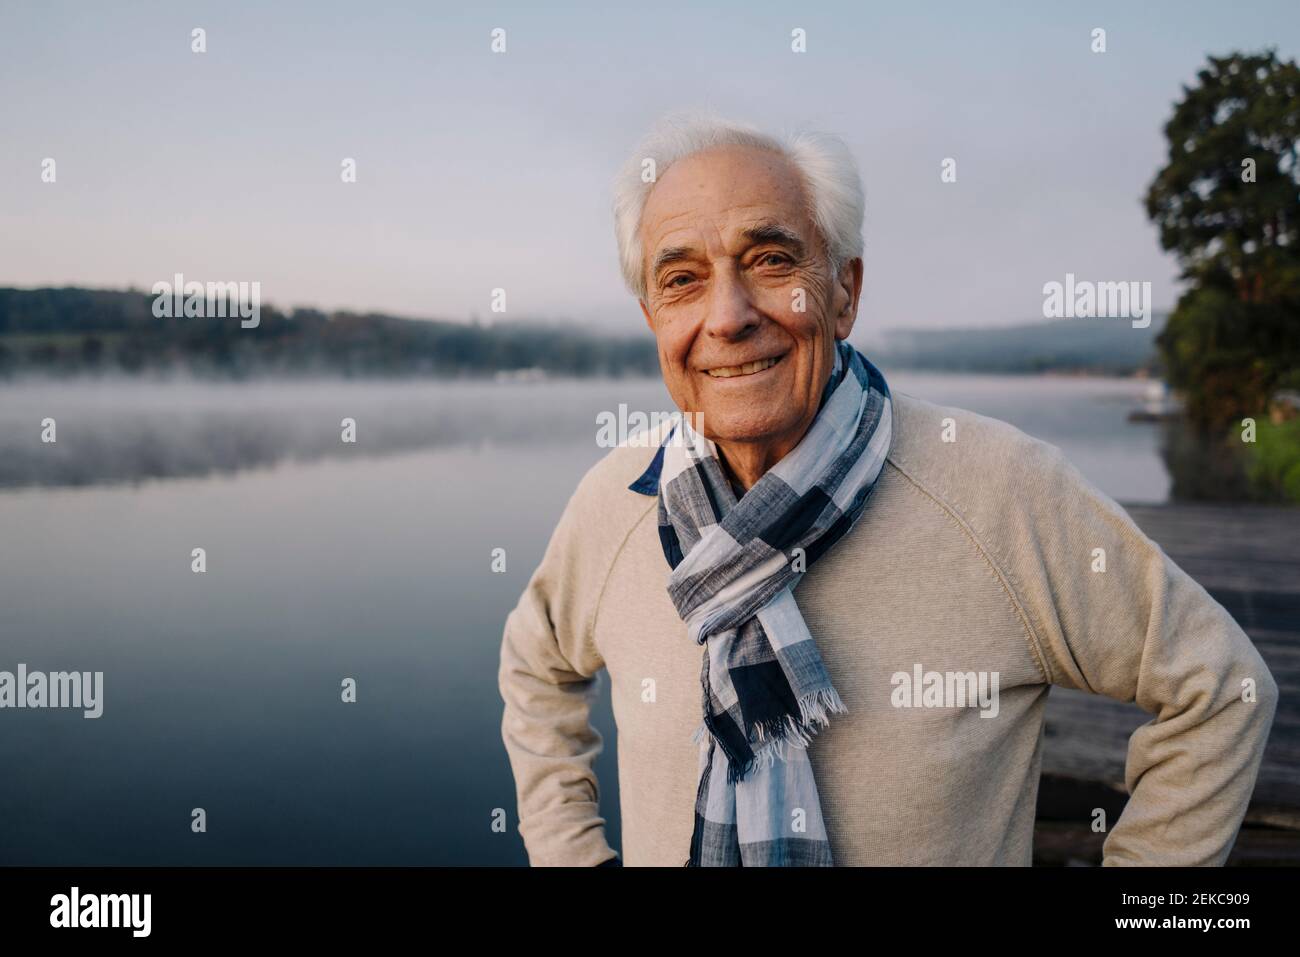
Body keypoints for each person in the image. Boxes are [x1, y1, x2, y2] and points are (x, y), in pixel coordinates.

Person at [497, 113, 1278, 866]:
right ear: (652, 318)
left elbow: (1220, 688)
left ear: (844, 292)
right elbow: (536, 666)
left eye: (771, 260)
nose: (727, 316)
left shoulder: (1000, 493)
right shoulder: (616, 503)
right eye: (682, 279)